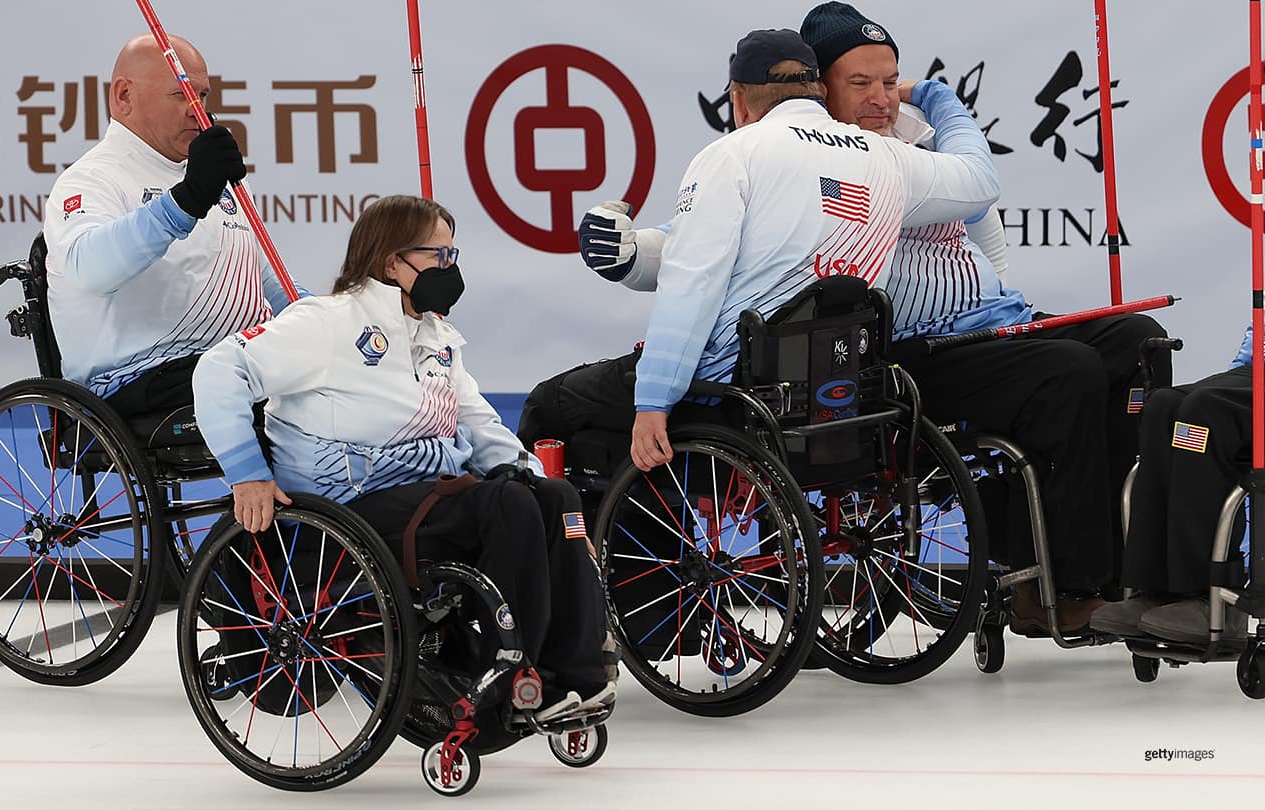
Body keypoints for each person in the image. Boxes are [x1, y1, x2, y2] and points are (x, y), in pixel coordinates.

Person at [566, 3, 1168, 634]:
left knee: (1138, 343)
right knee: (1064, 370)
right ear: (813, 87)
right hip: (900, 353)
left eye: (891, 81)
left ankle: (1127, 571)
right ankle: (1056, 585)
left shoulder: (906, 143)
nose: (883, 99)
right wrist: (630, 256)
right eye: (862, 84)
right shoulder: (813, 159)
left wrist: (993, 290)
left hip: (987, 322)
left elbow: (985, 233)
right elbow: (690, 248)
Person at [192, 194, 613, 721]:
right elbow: (218, 371)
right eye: (437, 256)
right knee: (509, 505)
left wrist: (526, 471)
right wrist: (247, 474)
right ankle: (511, 674)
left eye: (452, 256)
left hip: (429, 495)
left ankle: (575, 678)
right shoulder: (328, 322)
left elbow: (477, 422)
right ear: (392, 262)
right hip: (351, 506)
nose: (449, 269)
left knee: (553, 494)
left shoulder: (436, 335)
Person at [521, 27, 999, 473]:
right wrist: (940, 99)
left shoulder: (733, 155)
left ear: (738, 102)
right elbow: (978, 181)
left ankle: (596, 559)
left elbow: (693, 283)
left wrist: (653, 401)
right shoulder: (888, 158)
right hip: (842, 383)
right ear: (819, 91)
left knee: (551, 404)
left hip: (738, 388)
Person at [43, 33, 302, 417]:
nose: (197, 111)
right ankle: (261, 480)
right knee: (295, 388)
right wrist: (185, 202)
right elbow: (88, 270)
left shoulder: (212, 178)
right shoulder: (90, 179)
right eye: (181, 95)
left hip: (225, 357)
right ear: (124, 95)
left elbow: (264, 284)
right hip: (137, 376)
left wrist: (333, 321)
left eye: (204, 97)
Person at [1089, 326, 1256, 643]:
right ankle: (1157, 589)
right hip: (1252, 373)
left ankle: (1213, 598)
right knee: (1161, 406)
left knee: (1203, 409)